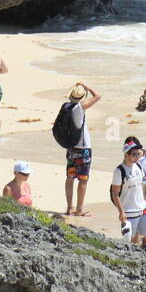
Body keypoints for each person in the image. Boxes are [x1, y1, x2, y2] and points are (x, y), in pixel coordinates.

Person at [110, 141, 146, 245]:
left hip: (144, 208)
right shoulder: (119, 171)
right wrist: (121, 212)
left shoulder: (139, 166)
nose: (137, 156)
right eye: (134, 154)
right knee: (130, 242)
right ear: (126, 155)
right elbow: (115, 194)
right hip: (129, 212)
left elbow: (141, 185)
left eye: (138, 154)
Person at [63, 82, 100, 217]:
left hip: (71, 147)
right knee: (83, 179)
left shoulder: (66, 106)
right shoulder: (80, 107)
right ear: (82, 97)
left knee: (70, 177)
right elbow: (98, 96)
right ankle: (79, 209)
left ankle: (69, 208)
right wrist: (87, 86)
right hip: (83, 148)